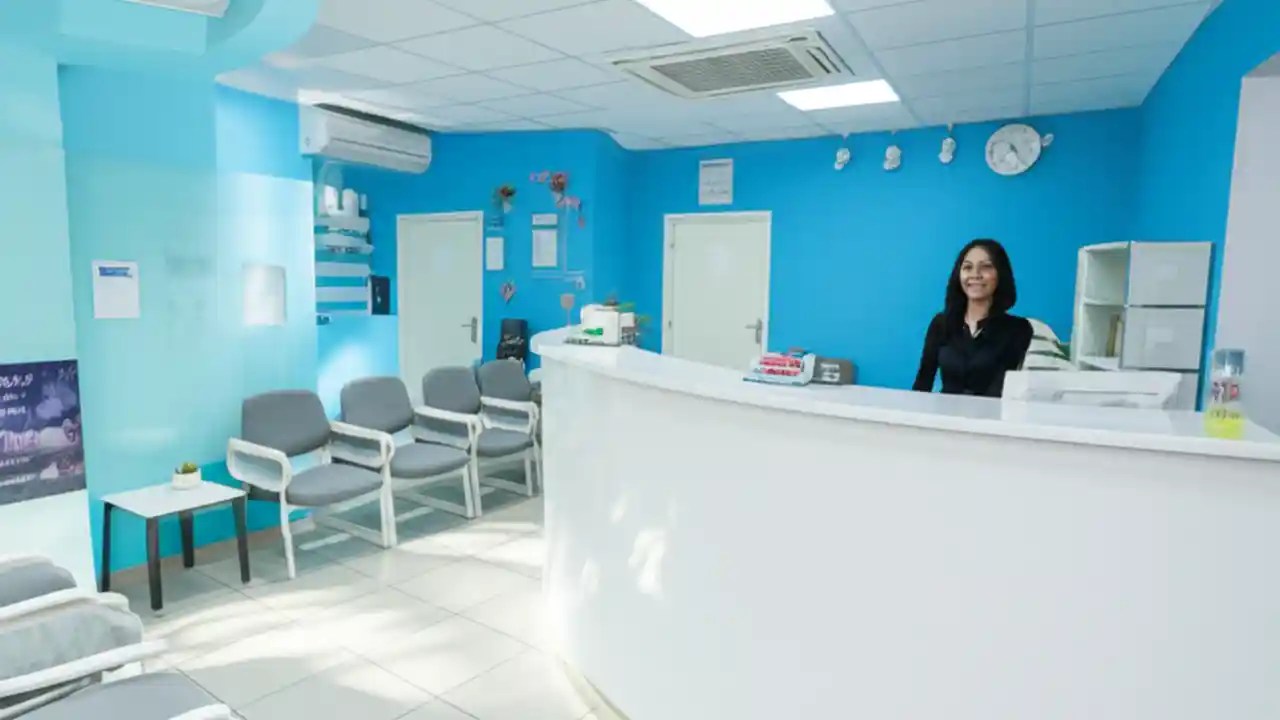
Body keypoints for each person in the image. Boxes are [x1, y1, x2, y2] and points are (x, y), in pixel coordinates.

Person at [913, 239, 1033, 397]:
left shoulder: (1018, 329)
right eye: (968, 267)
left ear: (1000, 274)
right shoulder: (941, 324)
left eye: (986, 267)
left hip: (990, 419)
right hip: (944, 417)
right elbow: (922, 384)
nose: (975, 275)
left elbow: (1001, 390)